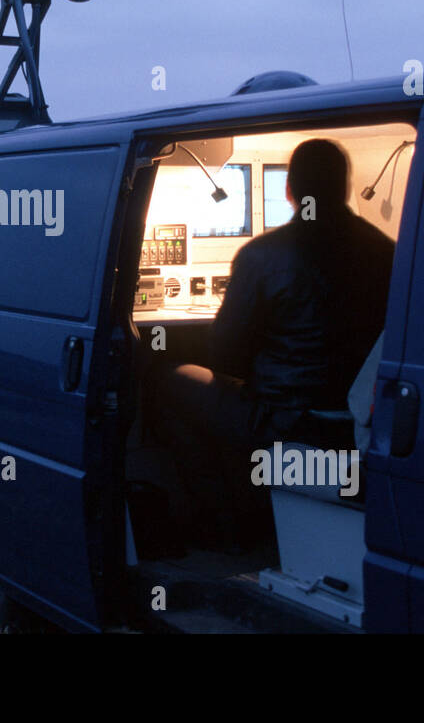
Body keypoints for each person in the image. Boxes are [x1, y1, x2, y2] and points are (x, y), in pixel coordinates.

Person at [146, 138, 395, 547]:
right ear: (347, 187)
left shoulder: (261, 256)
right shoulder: (388, 252)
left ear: (289, 191)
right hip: (358, 424)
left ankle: (222, 530)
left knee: (169, 382)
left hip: (289, 419)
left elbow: (225, 357)